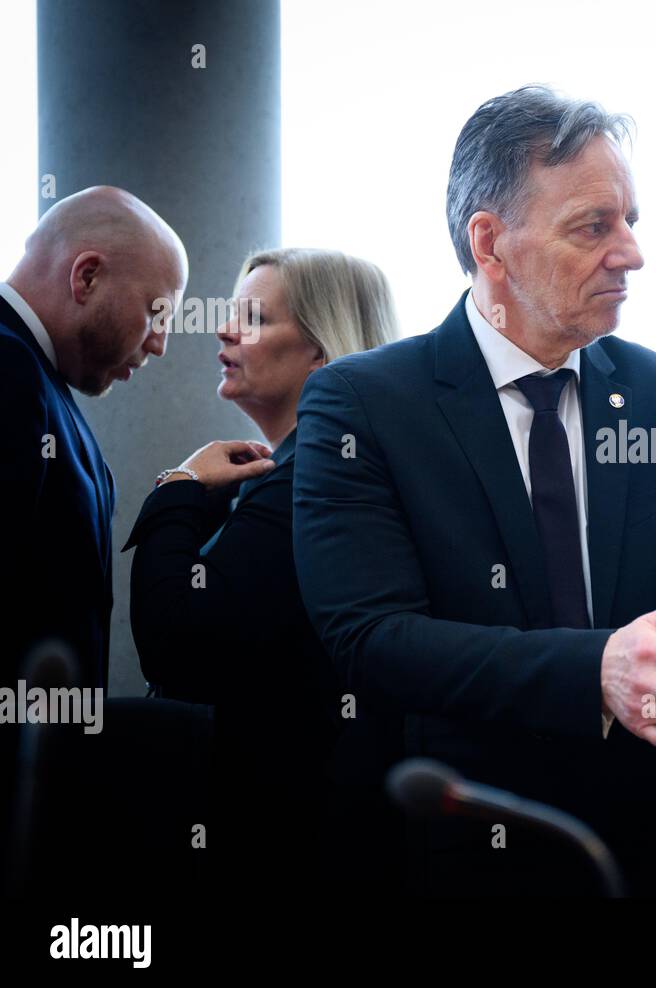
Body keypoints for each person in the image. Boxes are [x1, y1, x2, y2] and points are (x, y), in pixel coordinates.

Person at [291, 87, 656, 890]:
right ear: (490, 243)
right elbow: (371, 637)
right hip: (451, 835)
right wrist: (599, 671)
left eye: (631, 222)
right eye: (593, 227)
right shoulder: (364, 401)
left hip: (655, 828)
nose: (632, 254)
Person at [124, 248, 400, 888]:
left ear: (322, 352)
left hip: (278, 841)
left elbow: (175, 644)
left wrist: (178, 487)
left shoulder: (308, 482)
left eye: (253, 317)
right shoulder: (324, 473)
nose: (224, 329)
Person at [1, 186, 186, 691]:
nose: (159, 344)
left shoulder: (35, 378)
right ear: (86, 276)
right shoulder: (9, 365)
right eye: (156, 313)